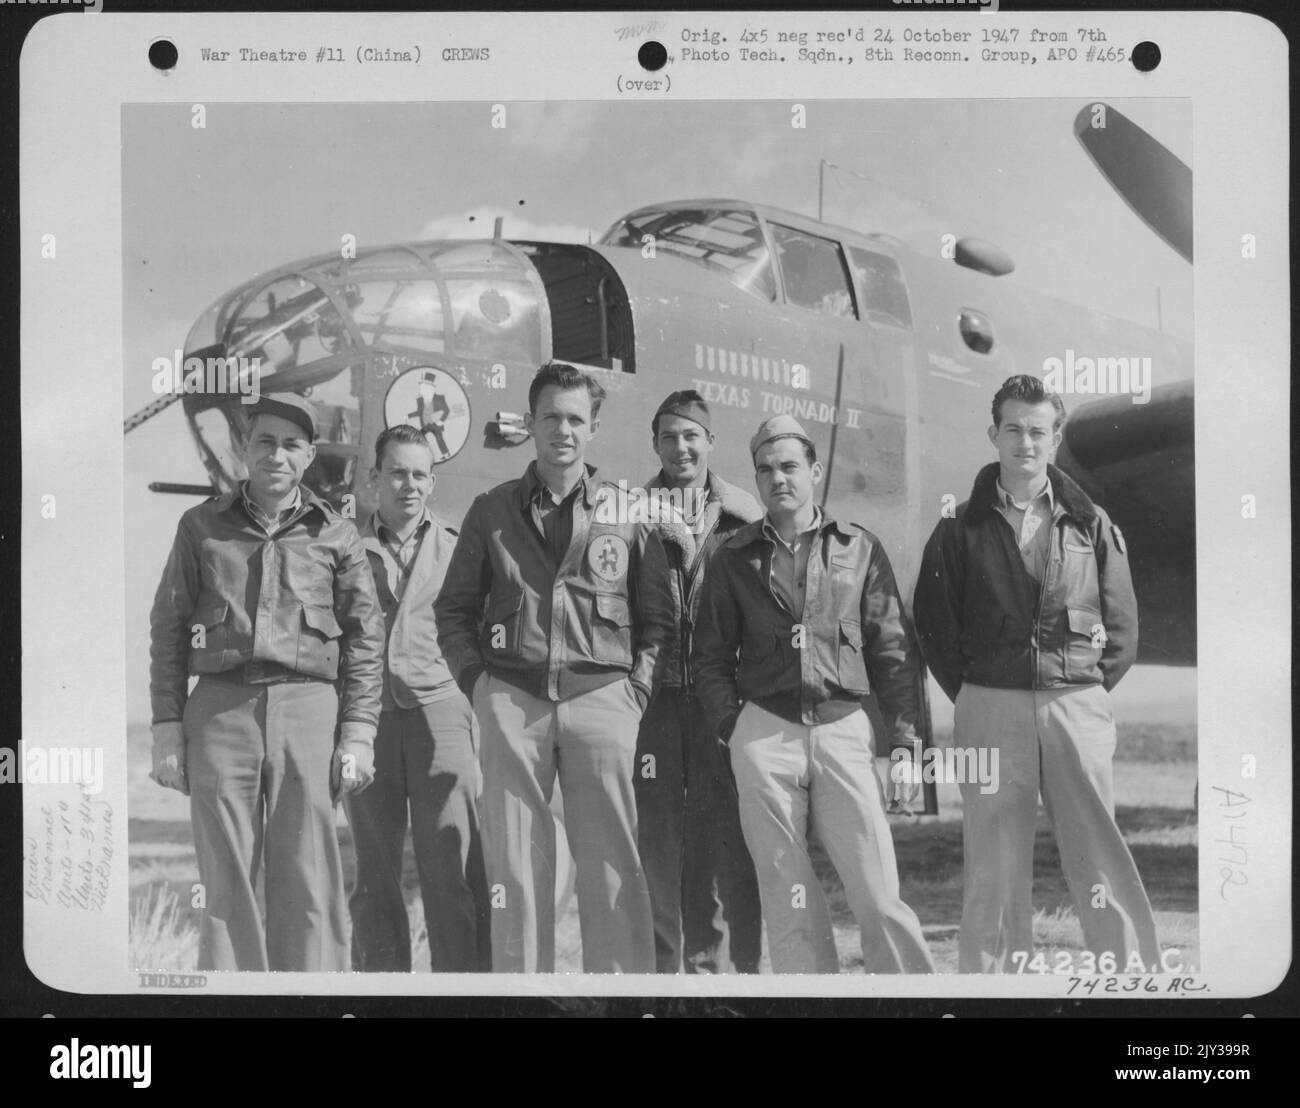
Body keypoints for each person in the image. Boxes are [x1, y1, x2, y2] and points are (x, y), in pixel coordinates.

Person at [912, 374, 1159, 974]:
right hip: (990, 706)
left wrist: (1085, 690)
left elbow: (1121, 628)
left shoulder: (1090, 522)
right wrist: (978, 691)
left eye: (1038, 431)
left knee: (1098, 852)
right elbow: (934, 624)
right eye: (1014, 429)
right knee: (993, 864)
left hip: (1076, 703)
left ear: (1055, 438)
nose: (1026, 441)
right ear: (994, 434)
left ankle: (1129, 981)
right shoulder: (958, 526)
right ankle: (992, 991)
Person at [435, 361, 674, 973]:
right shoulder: (491, 511)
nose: (562, 430)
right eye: (550, 418)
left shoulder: (628, 510)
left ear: (593, 427)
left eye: (575, 419)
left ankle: (622, 998)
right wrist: (478, 685)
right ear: (532, 424)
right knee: (515, 864)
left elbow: (658, 619)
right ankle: (522, 997)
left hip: (604, 701)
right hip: (512, 700)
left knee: (613, 862)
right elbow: (454, 610)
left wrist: (636, 692)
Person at [149, 392, 385, 972]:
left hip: (310, 710)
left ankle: (316, 999)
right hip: (220, 711)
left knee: (309, 870)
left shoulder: (337, 534)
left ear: (308, 457)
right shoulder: (200, 526)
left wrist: (357, 731)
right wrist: (165, 726)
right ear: (246, 449)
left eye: (291, 445)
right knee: (226, 878)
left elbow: (365, 639)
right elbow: (169, 629)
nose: (276, 455)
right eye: (265, 442)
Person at [692, 415, 935, 974]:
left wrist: (904, 746)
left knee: (877, 889)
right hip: (765, 732)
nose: (778, 478)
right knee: (787, 892)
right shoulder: (732, 558)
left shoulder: (859, 549)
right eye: (765, 469)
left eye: (790, 467)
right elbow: (709, 658)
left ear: (815, 472)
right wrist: (736, 729)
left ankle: (914, 1000)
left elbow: (893, 653)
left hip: (842, 728)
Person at [347, 424, 491, 972]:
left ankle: (465, 997)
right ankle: (381, 994)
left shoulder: (459, 546)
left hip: (442, 713)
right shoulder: (343, 546)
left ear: (432, 483)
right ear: (374, 477)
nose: (409, 485)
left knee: (451, 869)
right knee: (375, 876)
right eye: (397, 473)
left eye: (420, 475)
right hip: (368, 718)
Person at [634, 390, 763, 974]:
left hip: (719, 702)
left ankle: (729, 974)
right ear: (655, 444)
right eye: (668, 437)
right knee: (659, 846)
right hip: (653, 704)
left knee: (725, 846)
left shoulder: (745, 519)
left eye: (691, 436)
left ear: (710, 442)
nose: (680, 447)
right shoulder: (625, 514)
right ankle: (664, 976)